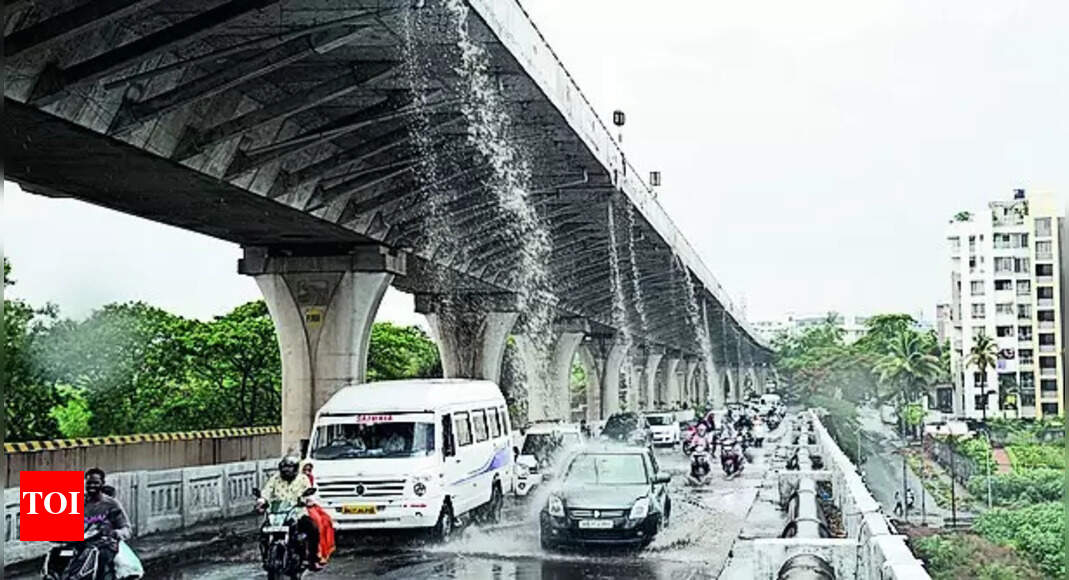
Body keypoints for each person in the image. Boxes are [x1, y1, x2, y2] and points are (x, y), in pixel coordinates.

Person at [258, 457, 321, 571]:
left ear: (296, 469)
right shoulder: (275, 479)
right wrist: (262, 501)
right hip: (276, 515)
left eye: (289, 468)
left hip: (297, 513)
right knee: (262, 532)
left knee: (313, 528)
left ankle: (312, 559)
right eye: (284, 468)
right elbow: (266, 491)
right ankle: (265, 557)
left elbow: (309, 492)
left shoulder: (303, 479)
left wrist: (308, 500)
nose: (286, 471)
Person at [83, 468, 132, 575]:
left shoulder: (111, 504)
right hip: (80, 545)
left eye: (96, 483)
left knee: (99, 558)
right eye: (89, 483)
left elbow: (126, 528)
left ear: (102, 483)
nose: (92, 486)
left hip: (104, 545)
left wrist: (115, 533)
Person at [300, 461, 336, 567]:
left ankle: (324, 551)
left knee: (326, 519)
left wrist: (311, 501)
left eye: (309, 470)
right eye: (304, 470)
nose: (307, 472)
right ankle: (316, 553)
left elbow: (313, 494)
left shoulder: (311, 479)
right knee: (317, 522)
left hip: (311, 505)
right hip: (300, 508)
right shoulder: (298, 480)